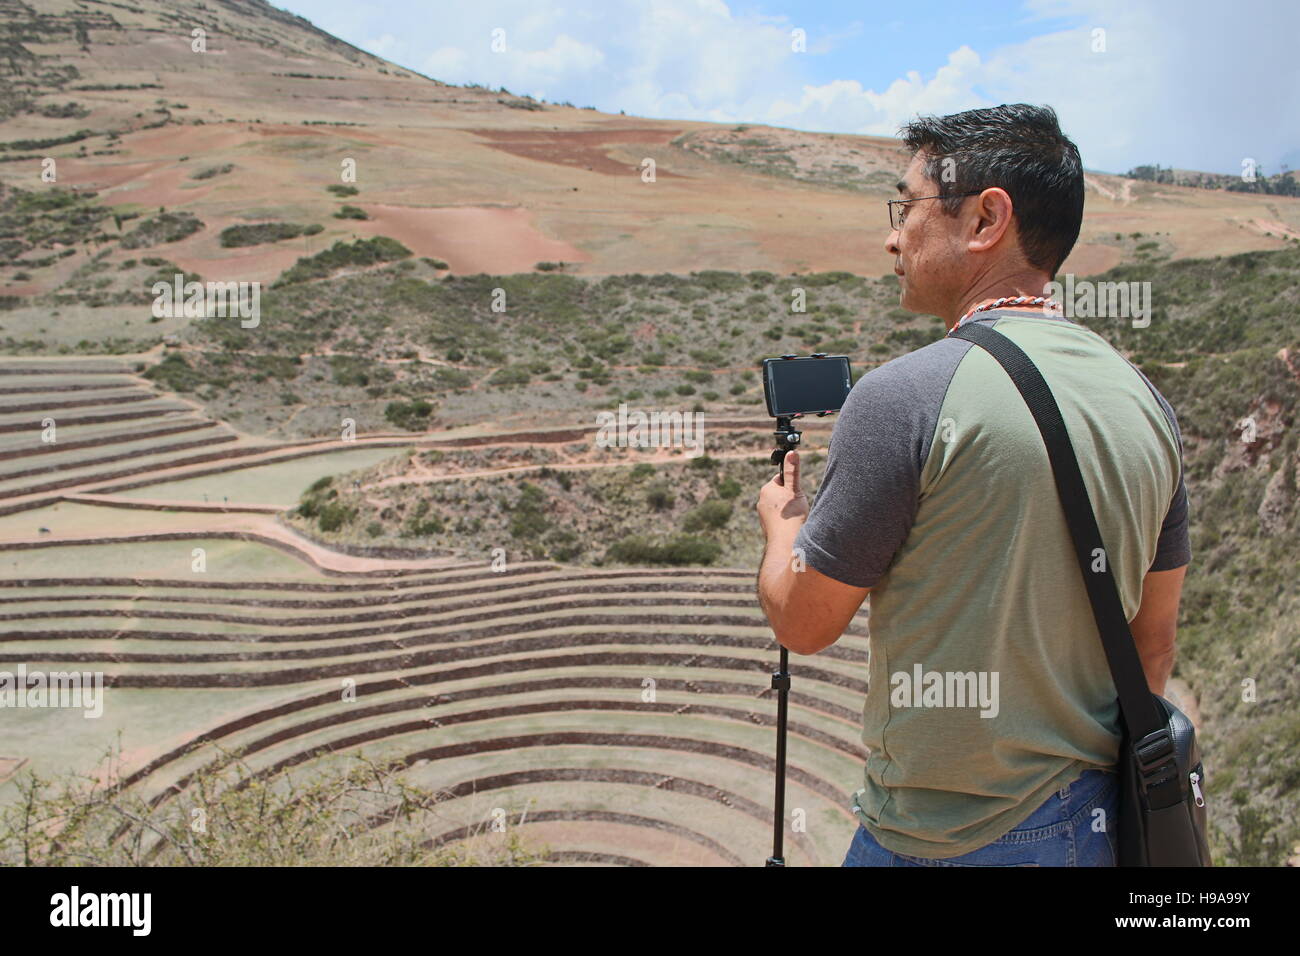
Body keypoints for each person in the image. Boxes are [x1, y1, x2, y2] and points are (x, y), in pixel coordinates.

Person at [755, 103, 1190, 867]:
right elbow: (1153, 648)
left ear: (987, 218)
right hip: (1095, 823)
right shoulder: (1145, 401)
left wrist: (782, 525)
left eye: (908, 206)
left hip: (940, 837)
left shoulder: (905, 398)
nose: (892, 236)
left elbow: (803, 622)